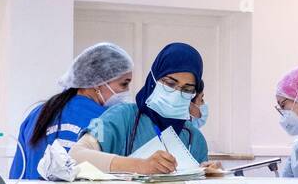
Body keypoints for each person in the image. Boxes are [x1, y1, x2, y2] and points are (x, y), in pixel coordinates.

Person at [71, 42, 220, 176]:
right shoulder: (119, 116)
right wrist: (140, 166)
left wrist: (209, 175)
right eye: (170, 83)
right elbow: (75, 156)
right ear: (153, 79)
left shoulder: (195, 139)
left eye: (187, 89)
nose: (176, 94)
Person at [9, 43, 134, 181]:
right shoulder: (102, 121)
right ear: (98, 83)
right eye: (124, 83)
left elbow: (16, 179)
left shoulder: (36, 115)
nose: (127, 91)